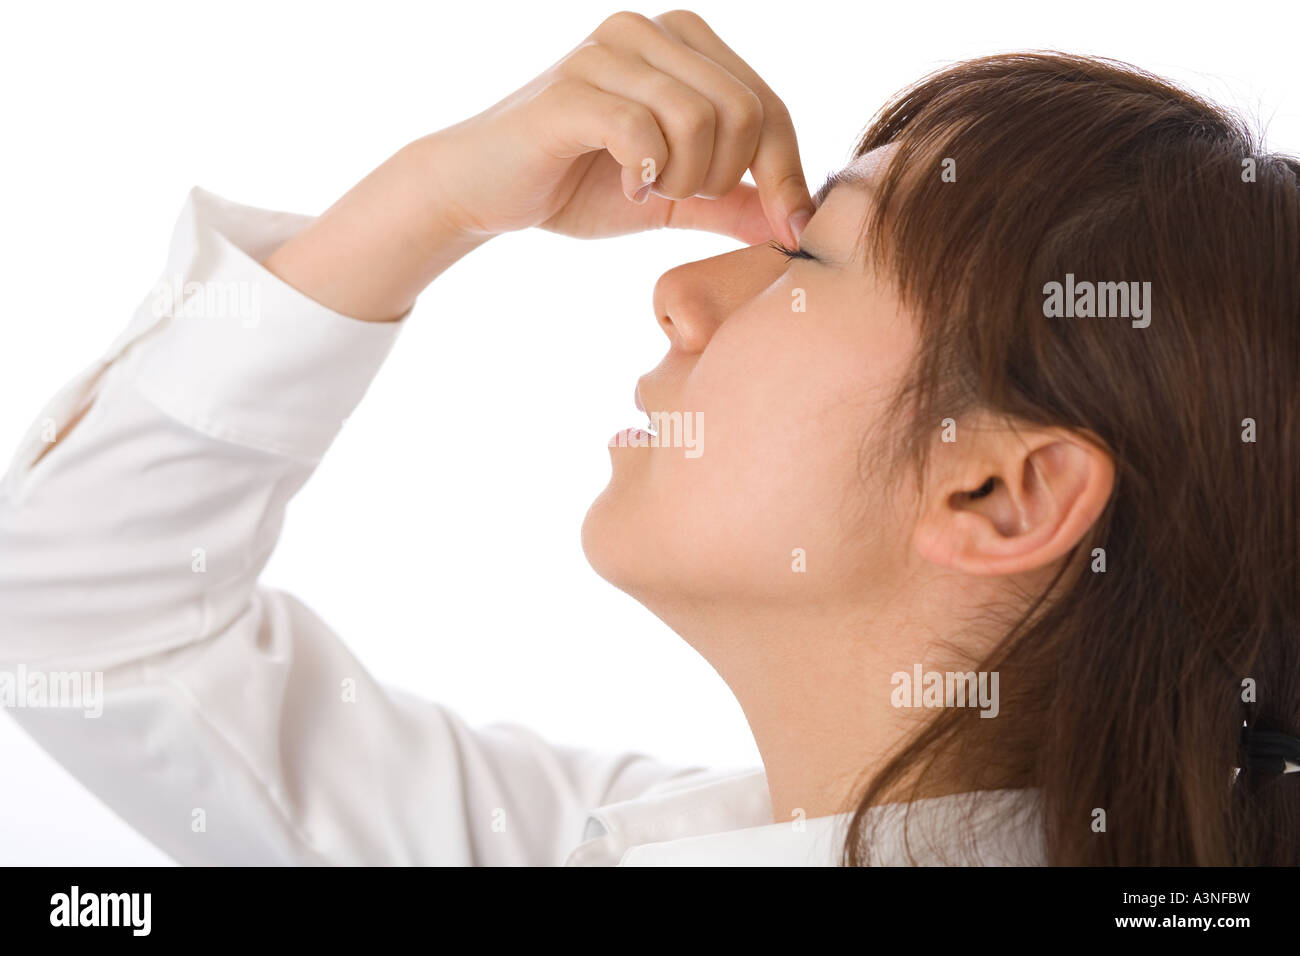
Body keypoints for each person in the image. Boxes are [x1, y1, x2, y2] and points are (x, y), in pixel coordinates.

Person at [2, 11, 1297, 866]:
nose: (678, 294)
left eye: (805, 256)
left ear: (1000, 492)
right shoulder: (601, 843)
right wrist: (435, 194)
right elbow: (76, 618)